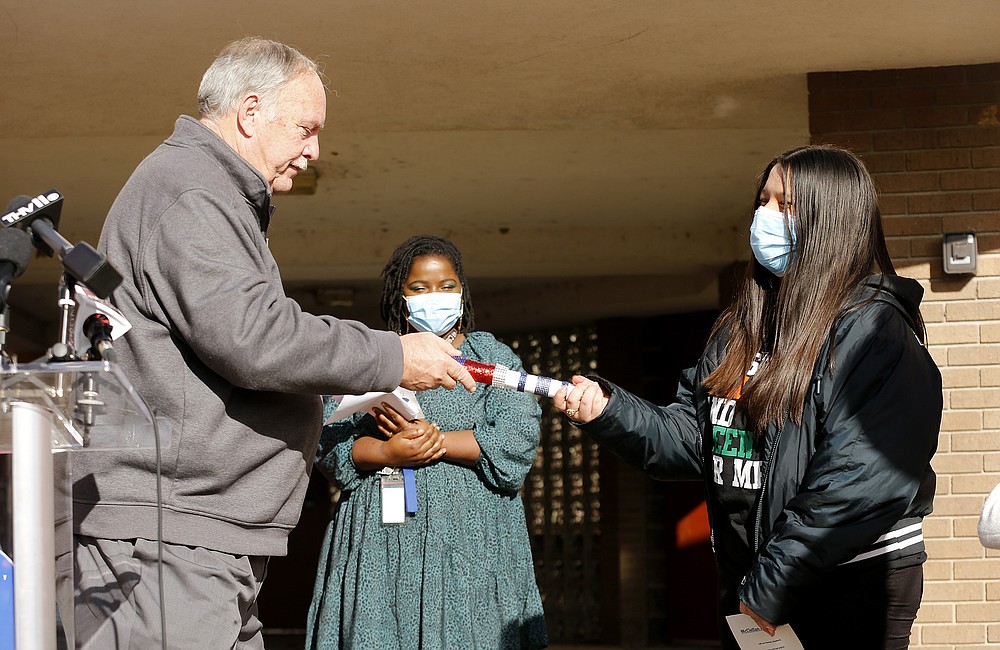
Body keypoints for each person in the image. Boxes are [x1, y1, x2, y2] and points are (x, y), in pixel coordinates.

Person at [64, 38, 474, 649]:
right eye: (306, 129)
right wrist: (393, 355)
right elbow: (252, 336)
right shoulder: (190, 192)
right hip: (171, 537)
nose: (314, 151)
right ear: (250, 112)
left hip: (198, 535)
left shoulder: (204, 189)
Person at [554, 145, 942, 649]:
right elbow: (700, 438)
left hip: (847, 581)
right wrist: (609, 410)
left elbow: (856, 480)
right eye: (763, 201)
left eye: (787, 205)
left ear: (831, 221)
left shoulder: (874, 331)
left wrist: (768, 587)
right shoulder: (745, 327)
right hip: (756, 582)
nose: (766, 217)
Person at [306, 235, 548, 650]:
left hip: (474, 545)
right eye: (418, 288)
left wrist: (434, 442)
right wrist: (387, 452)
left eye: (446, 286)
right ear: (400, 296)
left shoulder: (492, 359)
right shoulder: (374, 356)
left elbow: (516, 439)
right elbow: (328, 443)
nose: (433, 297)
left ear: (462, 292)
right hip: (381, 539)